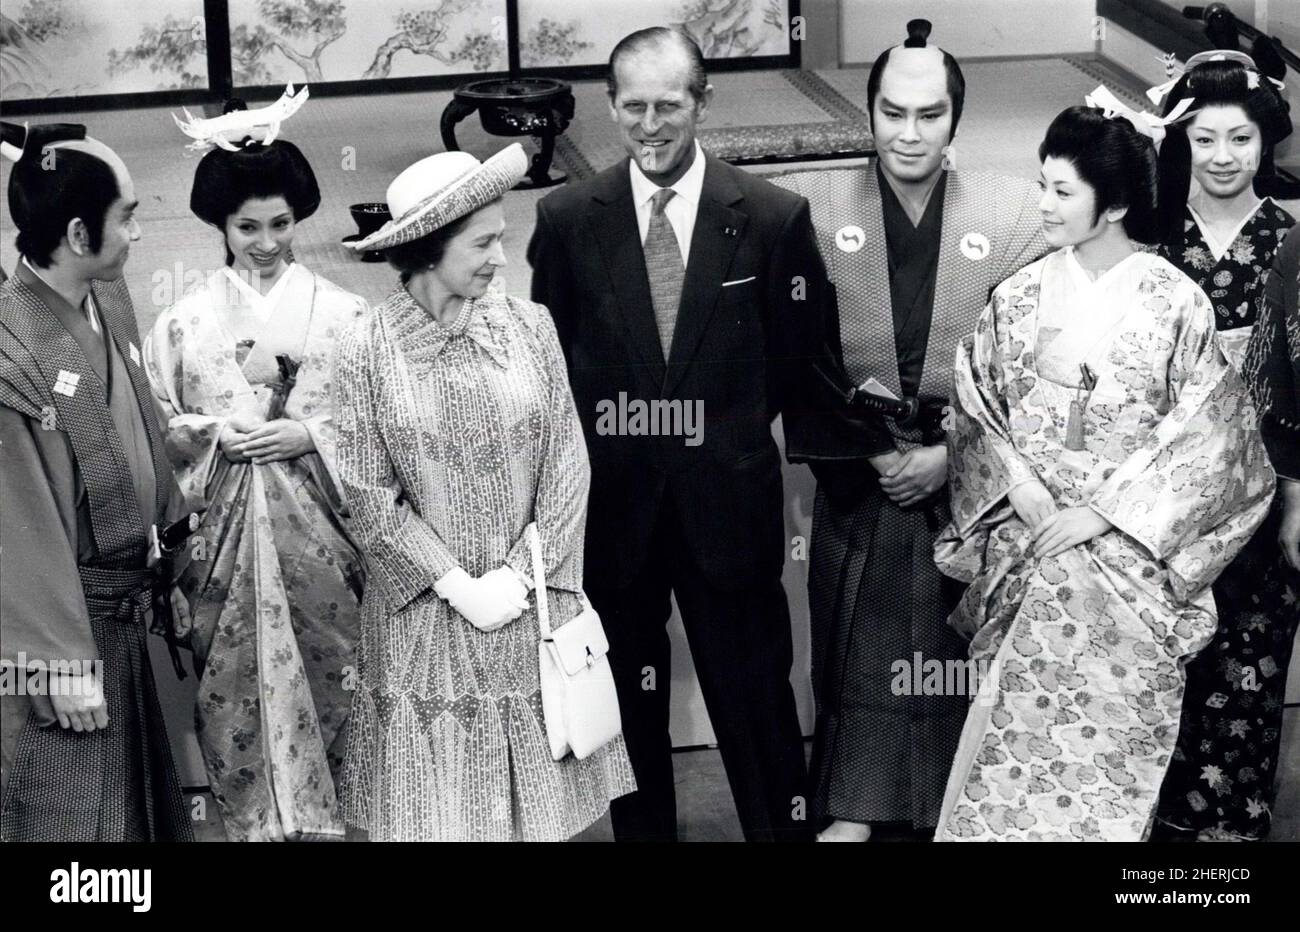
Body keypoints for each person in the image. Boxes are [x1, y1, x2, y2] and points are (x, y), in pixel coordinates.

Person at [932, 97, 1275, 841]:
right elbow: (976, 406)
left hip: (1130, 564)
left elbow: (1214, 442)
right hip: (1029, 548)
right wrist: (1018, 485)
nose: (1044, 206)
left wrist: (1108, 513)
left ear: (1114, 203)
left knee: (1110, 770)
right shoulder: (1017, 297)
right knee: (1007, 753)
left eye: (1063, 191)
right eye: (1042, 185)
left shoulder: (1175, 305)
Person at [528, 27, 838, 842]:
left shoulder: (771, 217)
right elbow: (549, 363)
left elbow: (798, 360)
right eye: (633, 107)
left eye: (670, 105)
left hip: (728, 507)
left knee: (759, 708)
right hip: (615, 511)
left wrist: (722, 433)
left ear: (705, 101)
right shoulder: (566, 219)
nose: (651, 125)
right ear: (609, 107)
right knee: (629, 714)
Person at [773, 19, 1046, 840]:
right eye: (893, 113)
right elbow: (799, 355)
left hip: (964, 469)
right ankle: (856, 807)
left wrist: (948, 452)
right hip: (862, 464)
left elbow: (1025, 361)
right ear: (869, 114)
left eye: (929, 115)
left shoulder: (1012, 211)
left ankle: (961, 799)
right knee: (860, 633)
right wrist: (875, 451)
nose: (909, 133)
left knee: (957, 635)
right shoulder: (813, 210)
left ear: (955, 119)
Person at [334, 144, 636, 841]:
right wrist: (454, 585)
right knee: (437, 818)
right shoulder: (364, 350)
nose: (503, 256)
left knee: (539, 818)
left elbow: (568, 460)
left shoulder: (532, 328)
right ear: (426, 251)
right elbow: (367, 492)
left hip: (530, 611)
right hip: (423, 625)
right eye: (484, 242)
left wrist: (522, 574)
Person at [144, 98, 367, 841]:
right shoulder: (182, 324)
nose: (266, 243)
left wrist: (310, 433)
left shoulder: (345, 315)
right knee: (234, 688)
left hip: (324, 542)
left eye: (280, 224)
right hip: (223, 545)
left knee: (339, 679)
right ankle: (251, 824)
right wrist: (211, 434)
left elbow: (378, 425)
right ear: (220, 226)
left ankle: (338, 820)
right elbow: (158, 427)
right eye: (247, 227)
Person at [0, 121, 192, 841]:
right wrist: (55, 664)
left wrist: (170, 537)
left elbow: (126, 419)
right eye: (130, 216)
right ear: (80, 235)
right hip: (61, 634)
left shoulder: (105, 300)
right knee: (68, 820)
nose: (139, 234)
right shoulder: (11, 352)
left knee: (130, 815)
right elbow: (15, 526)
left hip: (123, 603)